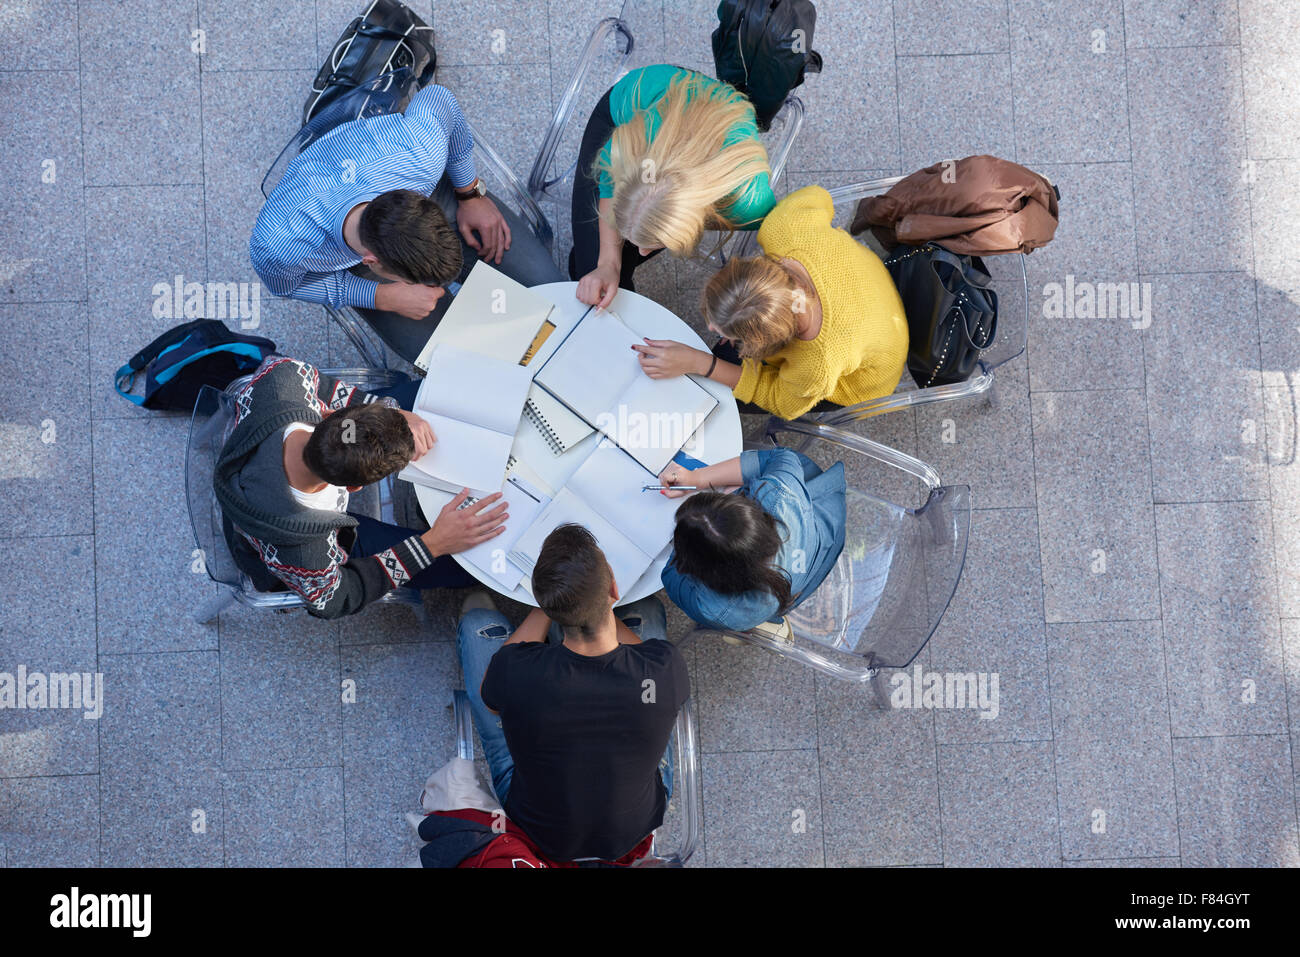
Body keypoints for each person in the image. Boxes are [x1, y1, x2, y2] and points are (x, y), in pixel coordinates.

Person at [249, 83, 564, 364]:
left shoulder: (418, 156)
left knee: (551, 289)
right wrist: (379, 296)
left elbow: (439, 97)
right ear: (372, 262)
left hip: (404, 182)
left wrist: (469, 193)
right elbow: (288, 285)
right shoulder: (280, 246)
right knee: (447, 362)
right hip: (339, 253)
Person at [456, 524, 689, 863]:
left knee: (477, 620)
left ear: (544, 602)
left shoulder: (516, 671)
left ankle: (559, 621)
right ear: (613, 587)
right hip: (631, 826)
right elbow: (644, 656)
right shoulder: (662, 667)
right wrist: (594, 605)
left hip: (539, 826)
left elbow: (491, 701)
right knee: (649, 612)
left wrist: (555, 604)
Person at [212, 355, 508, 619]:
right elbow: (332, 601)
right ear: (352, 489)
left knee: (415, 396)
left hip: (263, 466)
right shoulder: (307, 553)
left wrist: (386, 410)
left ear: (327, 415)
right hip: (296, 530)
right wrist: (434, 545)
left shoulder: (283, 379)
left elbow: (316, 381)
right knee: (463, 564)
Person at [632, 184, 911, 420]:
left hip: (866, 378)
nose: (710, 326)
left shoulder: (819, 362)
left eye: (723, 330)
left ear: (769, 341)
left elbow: (782, 401)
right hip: (869, 292)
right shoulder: (784, 228)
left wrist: (702, 364)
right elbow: (817, 196)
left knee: (716, 392)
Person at [570, 64, 775, 307]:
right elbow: (608, 185)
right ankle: (582, 262)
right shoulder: (629, 146)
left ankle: (580, 261)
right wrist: (607, 264)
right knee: (597, 264)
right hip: (641, 96)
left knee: (599, 263)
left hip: (693, 112)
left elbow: (780, 238)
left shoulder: (749, 202)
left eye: (651, 245)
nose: (642, 251)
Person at [657, 447, 846, 635]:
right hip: (822, 541)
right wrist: (697, 478)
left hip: (795, 578)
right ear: (751, 515)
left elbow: (670, 575)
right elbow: (783, 457)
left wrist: (688, 543)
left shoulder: (713, 608)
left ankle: (763, 622)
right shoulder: (781, 497)